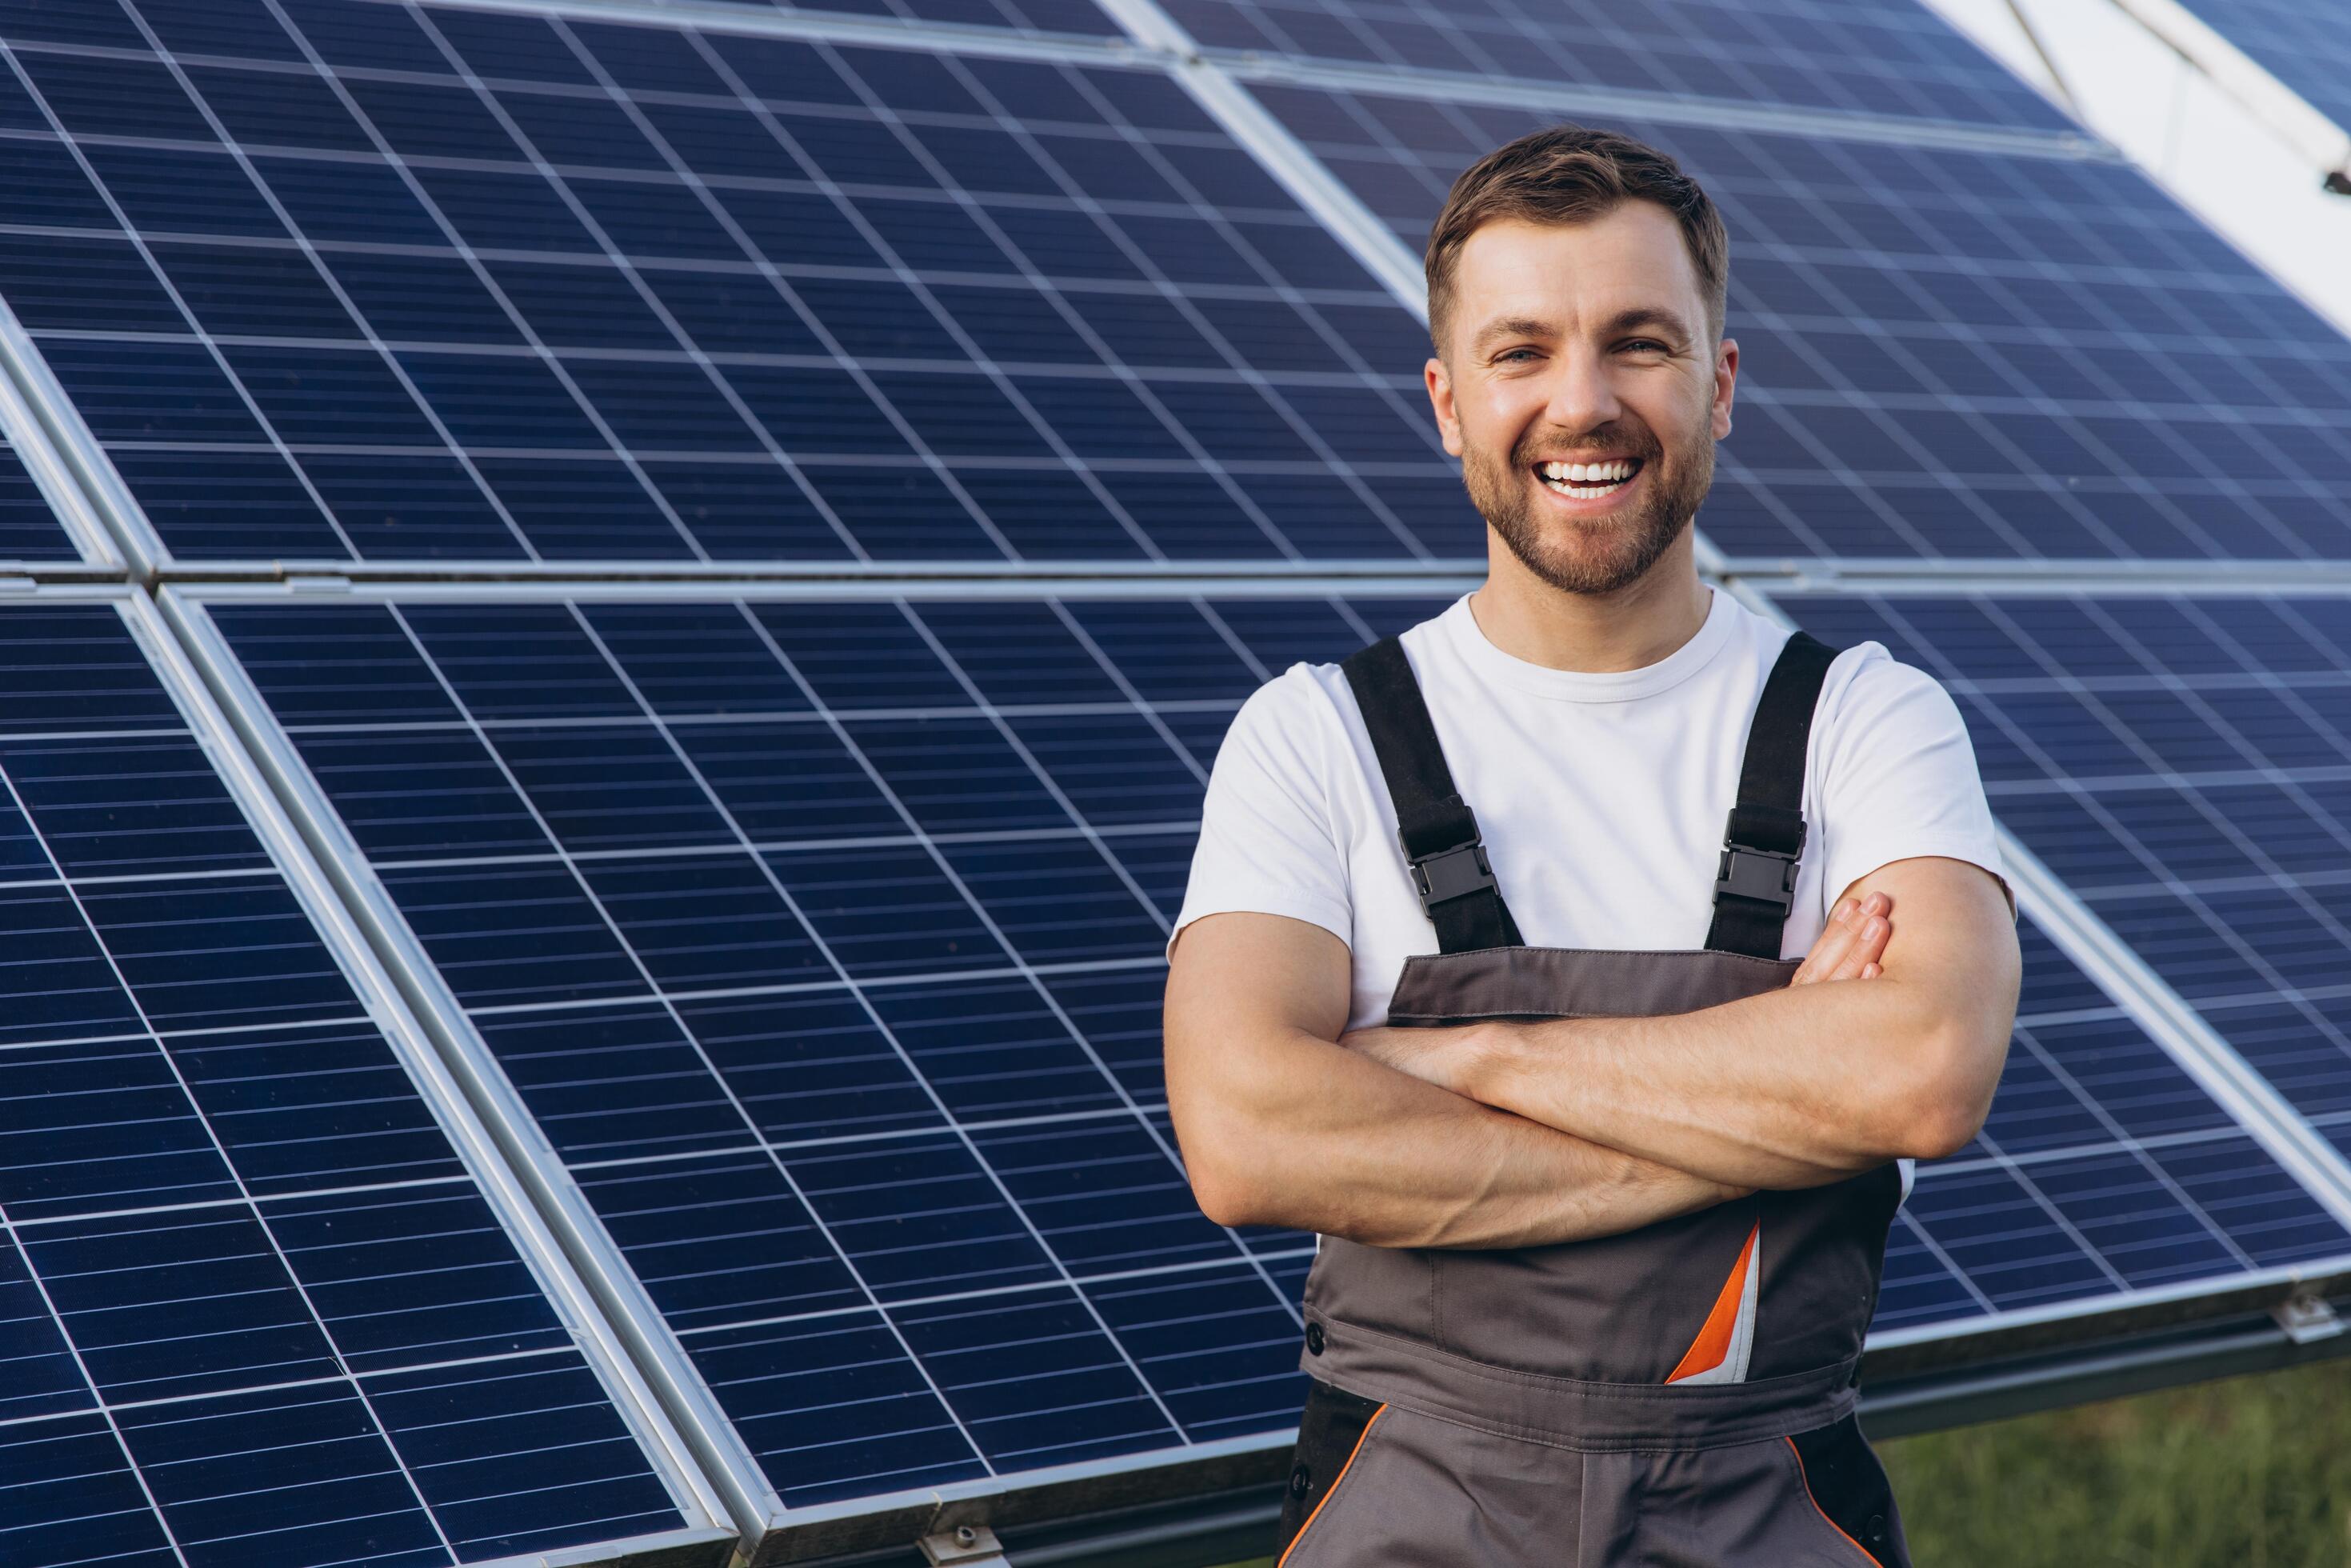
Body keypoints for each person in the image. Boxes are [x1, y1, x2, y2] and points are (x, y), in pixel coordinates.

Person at [1162, 125, 2021, 1566]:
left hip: (1775, 1508)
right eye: (1521, 353)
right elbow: (1246, 1136)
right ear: (1445, 401)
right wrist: (1771, 1104)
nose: (1583, 402)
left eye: (1639, 343)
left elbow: (1923, 1072)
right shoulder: (1313, 737)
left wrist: (1464, 1059)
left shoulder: (1866, 719)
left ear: (1720, 385)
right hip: (1404, 1507)